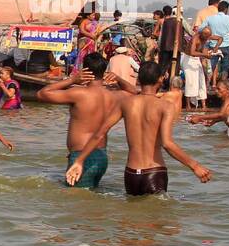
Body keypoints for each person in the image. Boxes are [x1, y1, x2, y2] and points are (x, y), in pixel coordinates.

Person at [67, 61, 212, 193]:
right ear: (161, 79)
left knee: (132, 220)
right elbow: (167, 144)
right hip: (154, 172)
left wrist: (79, 161)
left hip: (131, 174)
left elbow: (99, 134)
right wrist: (195, 166)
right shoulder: (165, 106)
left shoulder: (126, 103)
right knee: (155, 219)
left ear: (139, 80)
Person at [36, 53, 127, 189]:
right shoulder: (113, 95)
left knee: (75, 204)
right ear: (104, 71)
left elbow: (42, 94)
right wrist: (119, 79)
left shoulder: (78, 94)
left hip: (81, 156)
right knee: (89, 202)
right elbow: (133, 92)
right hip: (101, 156)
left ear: (85, 71)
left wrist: (72, 80)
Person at [180, 26, 217, 108]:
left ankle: (204, 105)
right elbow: (192, 52)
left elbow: (220, 38)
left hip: (196, 59)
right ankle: (188, 105)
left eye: (208, 36)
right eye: (206, 36)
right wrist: (205, 55)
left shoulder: (206, 37)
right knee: (190, 82)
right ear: (202, 34)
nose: (207, 38)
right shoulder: (195, 38)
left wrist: (215, 50)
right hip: (188, 59)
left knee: (201, 81)